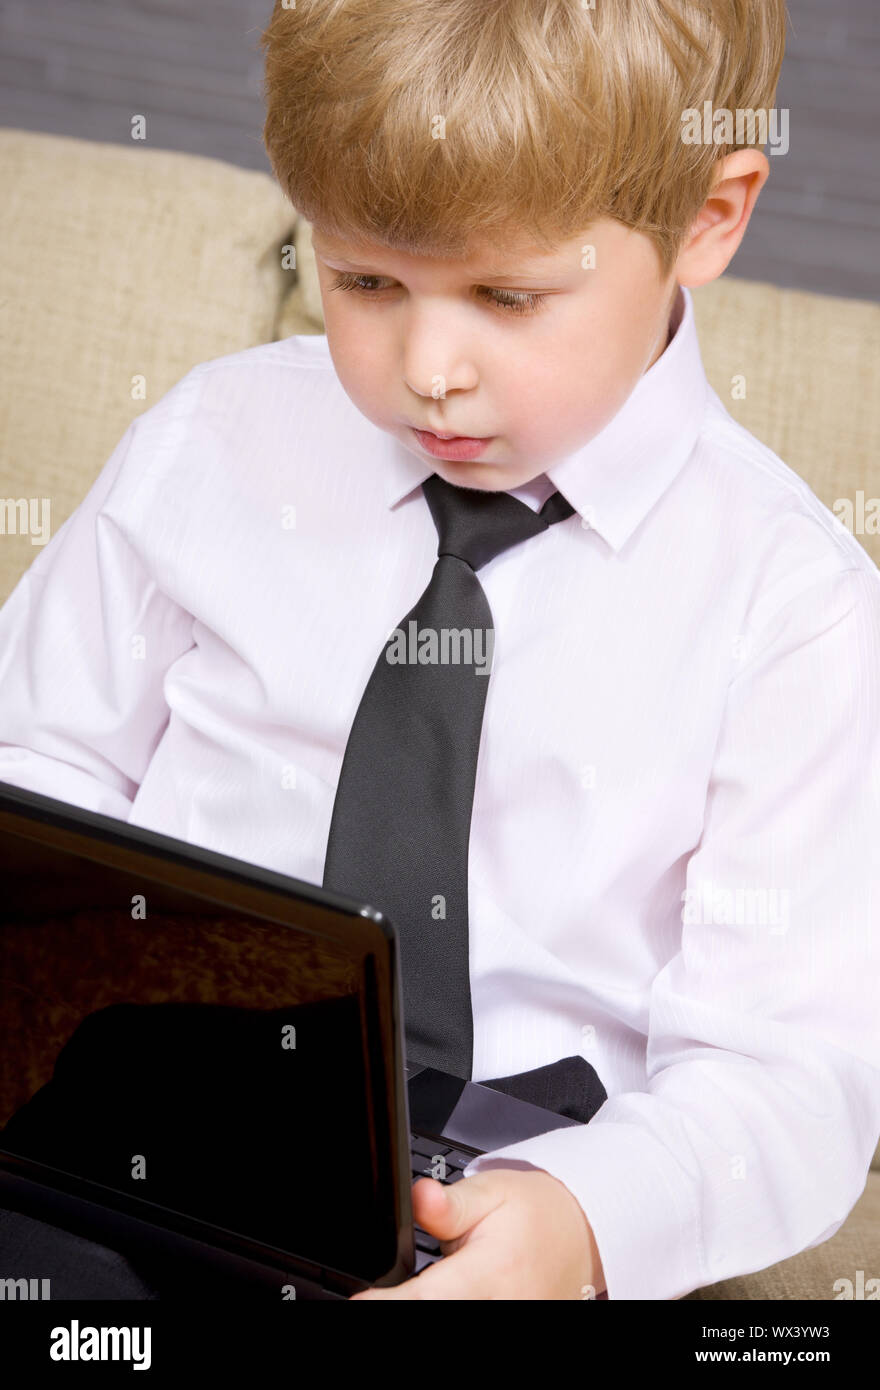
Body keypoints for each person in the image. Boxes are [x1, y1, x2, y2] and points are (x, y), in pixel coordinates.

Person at [1, 0, 878, 1300]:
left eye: (506, 296)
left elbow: (790, 1074)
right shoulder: (210, 446)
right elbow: (40, 754)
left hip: (501, 1204)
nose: (429, 370)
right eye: (363, 280)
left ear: (708, 216)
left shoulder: (792, 606)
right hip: (142, 1120)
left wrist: (583, 1225)